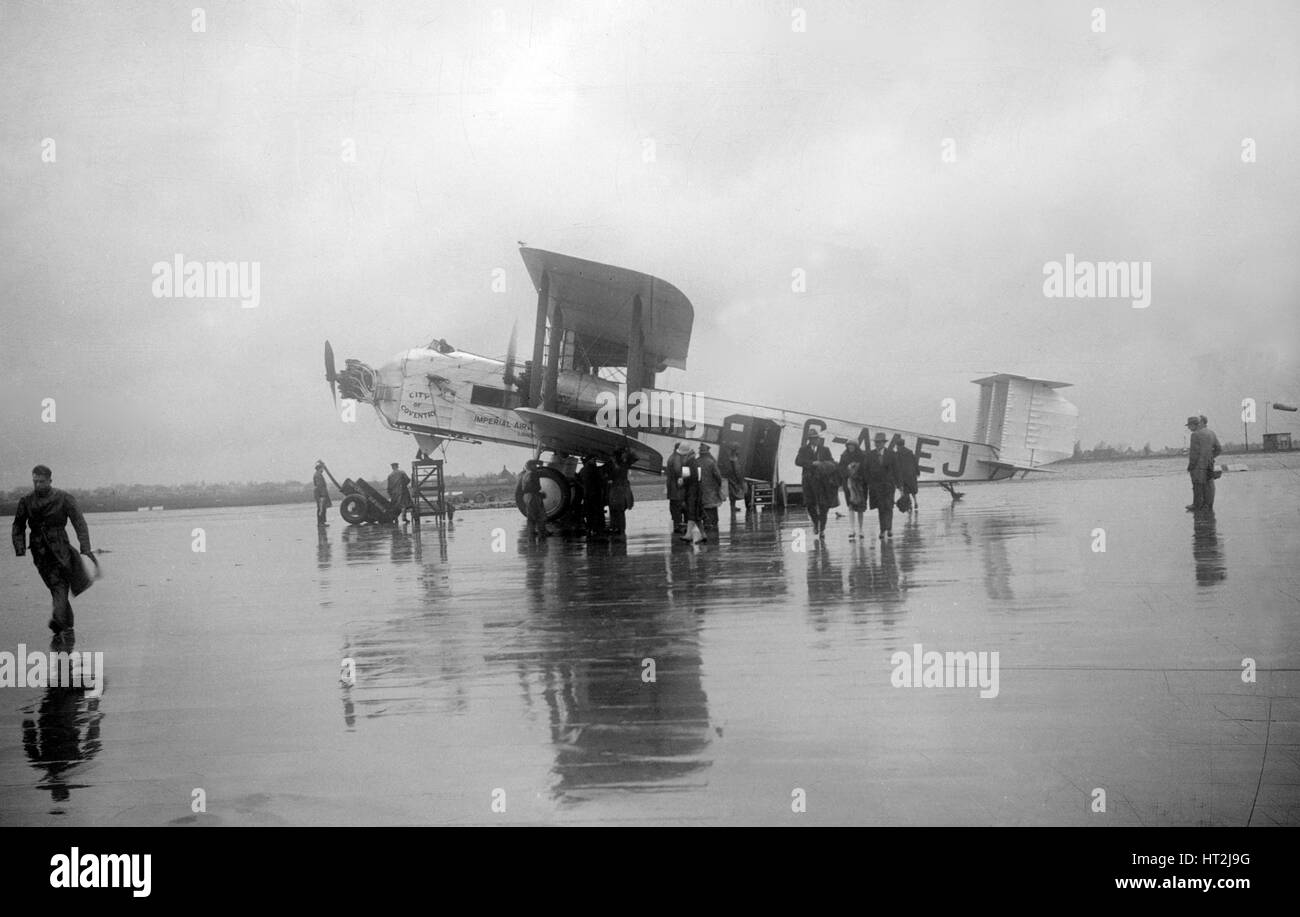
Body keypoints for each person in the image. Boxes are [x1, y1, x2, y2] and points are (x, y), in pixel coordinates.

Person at [11, 465, 93, 643]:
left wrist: (85, 546)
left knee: (58, 586)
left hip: (61, 548)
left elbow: (79, 522)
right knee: (56, 587)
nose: (38, 485)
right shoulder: (26, 501)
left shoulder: (63, 497)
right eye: (35, 481)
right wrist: (20, 548)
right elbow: (18, 525)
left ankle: (60, 623)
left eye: (41, 481)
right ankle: (65, 625)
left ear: (50, 480)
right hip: (39, 552)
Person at [795, 433, 838, 539]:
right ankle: (815, 522)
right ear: (810, 439)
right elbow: (798, 461)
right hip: (808, 480)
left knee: (824, 505)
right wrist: (812, 463)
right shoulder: (803, 449)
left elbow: (831, 461)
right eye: (814, 438)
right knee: (809, 504)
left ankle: (822, 529)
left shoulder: (825, 449)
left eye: (817, 438)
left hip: (823, 481)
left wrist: (823, 464)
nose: (816, 440)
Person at [861, 431, 898, 538]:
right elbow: (865, 470)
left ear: (884, 443)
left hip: (889, 485)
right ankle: (883, 530)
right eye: (877, 442)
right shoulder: (870, 455)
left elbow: (897, 470)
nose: (878, 444)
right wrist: (870, 482)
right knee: (881, 508)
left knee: (889, 506)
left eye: (880, 442)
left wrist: (899, 485)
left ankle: (889, 528)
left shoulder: (891, 454)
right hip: (876, 486)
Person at [1186, 415, 1218, 512]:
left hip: (1198, 466)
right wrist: (1210, 457)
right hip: (1209, 464)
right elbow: (1219, 449)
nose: (1188, 428)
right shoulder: (1212, 433)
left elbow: (1194, 453)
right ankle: (1208, 506)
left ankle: (1197, 506)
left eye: (1189, 426)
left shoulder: (1195, 435)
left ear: (1195, 425)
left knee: (1197, 486)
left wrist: (1190, 466)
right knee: (1209, 485)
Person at [839, 440, 868, 539]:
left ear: (856, 446)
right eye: (849, 445)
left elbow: (865, 468)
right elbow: (841, 469)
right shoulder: (844, 456)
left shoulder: (862, 455)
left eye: (852, 445)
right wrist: (848, 472)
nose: (850, 447)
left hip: (860, 484)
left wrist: (857, 472)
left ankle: (861, 530)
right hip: (849, 484)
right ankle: (852, 529)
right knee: (851, 506)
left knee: (860, 507)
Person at [605, 448, 636, 538]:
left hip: (617, 491)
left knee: (616, 510)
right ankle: (619, 528)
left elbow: (611, 475)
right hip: (621, 491)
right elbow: (634, 458)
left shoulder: (618, 466)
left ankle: (617, 528)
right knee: (619, 511)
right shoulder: (624, 464)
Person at [516, 460, 549, 538]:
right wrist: (539, 494)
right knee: (540, 515)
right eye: (534, 465)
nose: (536, 467)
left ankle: (532, 533)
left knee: (531, 515)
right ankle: (541, 533)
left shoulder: (525, 474)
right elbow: (531, 486)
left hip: (527, 496)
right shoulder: (532, 473)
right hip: (533, 496)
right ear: (531, 466)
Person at [680, 447, 706, 543]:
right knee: (697, 514)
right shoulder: (696, 462)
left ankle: (688, 535)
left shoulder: (688, 463)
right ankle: (703, 535)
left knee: (691, 513)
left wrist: (681, 481)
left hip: (692, 491)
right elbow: (699, 478)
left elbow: (686, 478)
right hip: (698, 490)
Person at [697, 444, 725, 530]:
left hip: (699, 490)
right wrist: (719, 485)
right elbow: (718, 476)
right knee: (712, 508)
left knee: (703, 506)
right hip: (711, 490)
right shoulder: (711, 462)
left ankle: (706, 523)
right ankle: (713, 524)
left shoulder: (695, 462)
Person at [891, 434, 920, 513]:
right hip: (911, 475)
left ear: (898, 445)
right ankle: (915, 502)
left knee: (905, 492)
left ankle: (909, 505)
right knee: (913, 490)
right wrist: (917, 472)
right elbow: (915, 462)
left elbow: (896, 466)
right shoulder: (910, 452)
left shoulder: (897, 454)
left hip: (902, 476)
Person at [579, 456, 607, 538]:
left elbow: (580, 479)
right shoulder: (593, 469)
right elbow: (600, 480)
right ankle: (598, 528)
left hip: (588, 494)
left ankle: (590, 528)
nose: (595, 461)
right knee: (597, 512)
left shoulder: (584, 470)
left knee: (589, 513)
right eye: (593, 460)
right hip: (595, 494)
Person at [719, 443, 750, 513]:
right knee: (745, 491)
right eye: (738, 449)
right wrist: (740, 480)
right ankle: (748, 506)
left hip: (731, 478)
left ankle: (733, 507)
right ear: (736, 450)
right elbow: (737, 470)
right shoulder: (735, 458)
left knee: (732, 494)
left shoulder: (730, 457)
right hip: (735, 479)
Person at [666, 442, 688, 535]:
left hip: (673, 490)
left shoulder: (672, 457)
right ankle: (680, 527)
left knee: (675, 510)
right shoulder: (677, 458)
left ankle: (678, 526)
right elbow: (678, 471)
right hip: (678, 491)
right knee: (681, 509)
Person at [313, 461, 332, 526]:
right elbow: (319, 486)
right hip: (320, 494)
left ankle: (322, 522)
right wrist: (322, 495)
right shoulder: (318, 475)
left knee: (323, 508)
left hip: (321, 493)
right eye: (322, 468)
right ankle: (320, 523)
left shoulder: (318, 474)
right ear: (319, 468)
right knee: (321, 508)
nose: (323, 470)